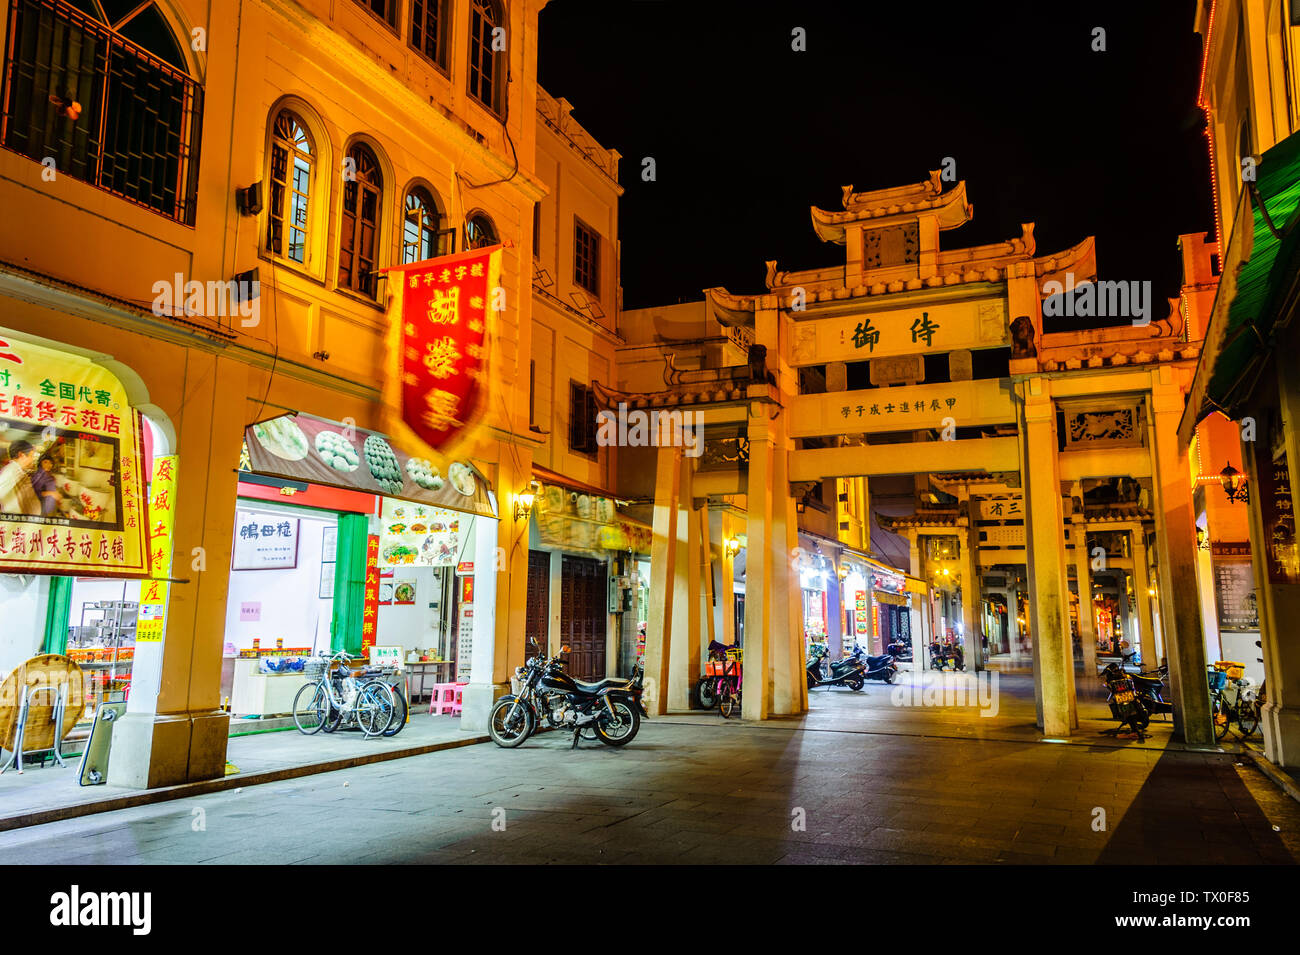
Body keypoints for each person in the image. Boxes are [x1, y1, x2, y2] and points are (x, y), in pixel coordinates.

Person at [0, 439, 41, 515]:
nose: (32, 460)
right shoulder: (11, 473)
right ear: (21, 455)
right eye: (31, 456)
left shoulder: (17, 471)